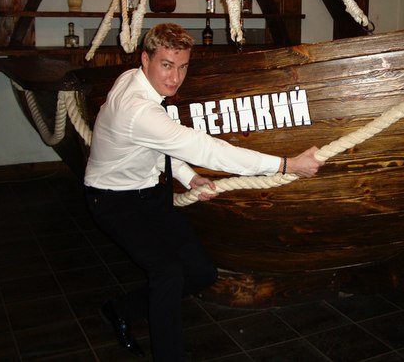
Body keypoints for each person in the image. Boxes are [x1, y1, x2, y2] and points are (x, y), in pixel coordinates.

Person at [84, 23, 324, 361]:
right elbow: (206, 148)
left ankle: (121, 309)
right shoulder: (137, 108)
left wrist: (187, 176)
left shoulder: (133, 79)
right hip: (113, 200)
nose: (175, 78)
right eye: (167, 65)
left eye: (183, 67)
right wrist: (287, 164)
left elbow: (151, 143)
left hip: (150, 193)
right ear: (145, 59)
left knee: (201, 273)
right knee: (167, 273)